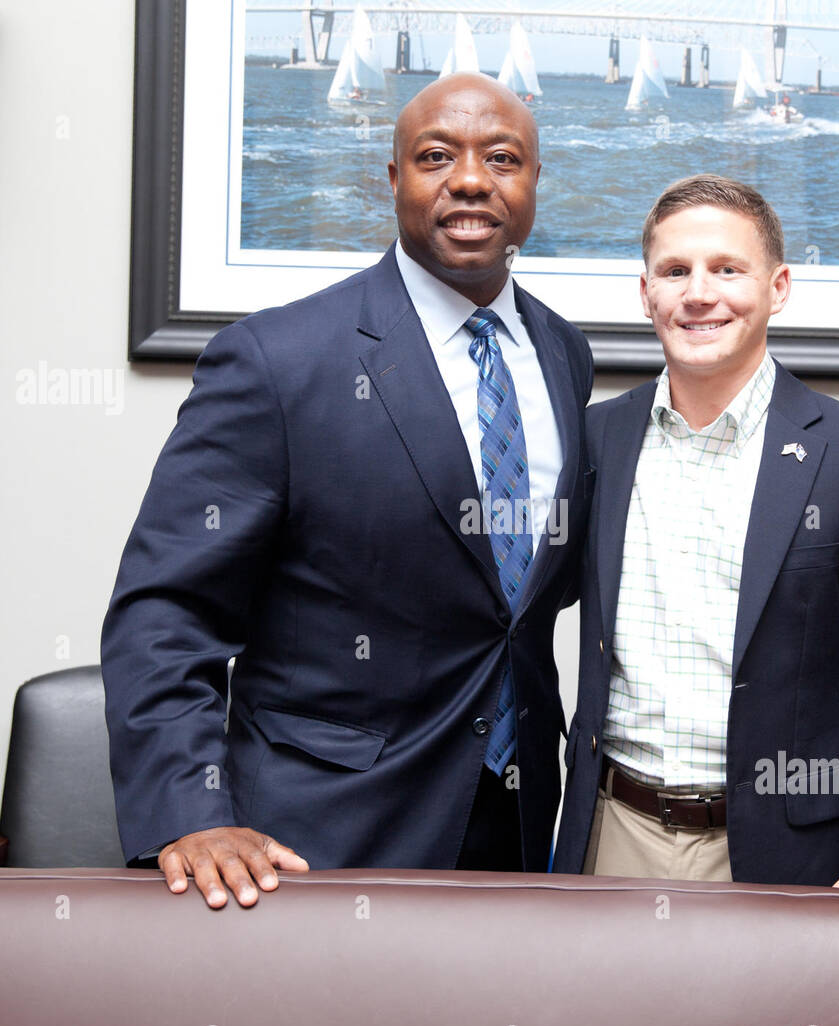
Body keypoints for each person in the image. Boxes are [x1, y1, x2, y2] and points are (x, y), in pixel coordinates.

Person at [102, 74, 593, 908]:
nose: (470, 179)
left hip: (516, 827)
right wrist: (189, 811)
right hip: (318, 838)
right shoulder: (275, 360)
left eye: (502, 158)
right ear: (392, 178)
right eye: (436, 156)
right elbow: (164, 611)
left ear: (534, 183)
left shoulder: (561, 353)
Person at [552, 174, 839, 890]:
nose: (699, 293)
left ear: (778, 287)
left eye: (727, 270)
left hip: (786, 855)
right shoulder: (594, 441)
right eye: (676, 271)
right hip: (612, 833)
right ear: (646, 293)